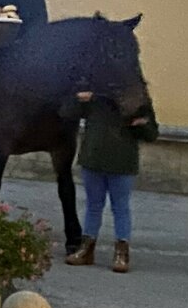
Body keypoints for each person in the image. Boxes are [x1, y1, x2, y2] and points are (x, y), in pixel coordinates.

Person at [63, 83, 158, 273]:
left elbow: (152, 134)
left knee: (120, 207)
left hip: (122, 163)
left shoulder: (138, 100)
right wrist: (77, 99)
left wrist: (142, 124)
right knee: (93, 205)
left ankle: (121, 252)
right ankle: (86, 248)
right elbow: (66, 112)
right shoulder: (94, 96)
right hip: (93, 160)